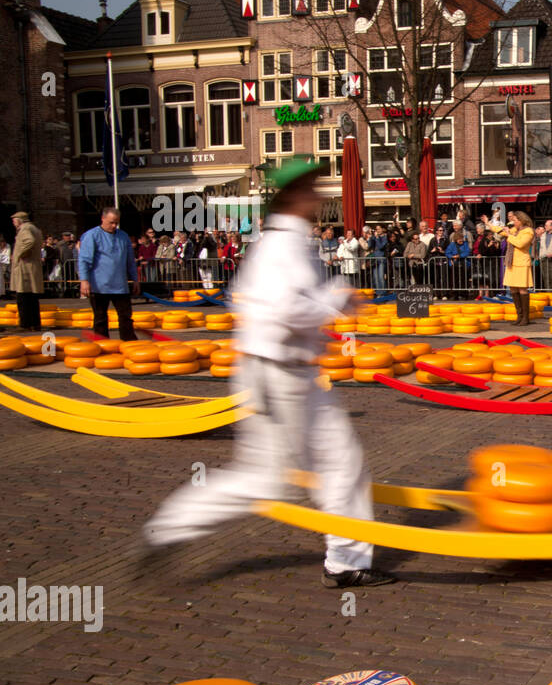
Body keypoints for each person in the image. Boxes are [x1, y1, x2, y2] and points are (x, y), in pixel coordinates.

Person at [143, 161, 394, 588]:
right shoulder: (283, 246)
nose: (319, 197)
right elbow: (285, 310)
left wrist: (327, 301)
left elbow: (270, 302)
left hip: (288, 371)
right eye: (312, 189)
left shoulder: (281, 241)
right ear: (294, 197)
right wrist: (336, 302)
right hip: (281, 374)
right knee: (269, 479)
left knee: (341, 463)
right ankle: (170, 527)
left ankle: (346, 560)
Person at [78, 207, 139, 340]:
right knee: (100, 318)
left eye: (116, 223)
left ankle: (129, 342)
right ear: (103, 218)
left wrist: (135, 279)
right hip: (99, 285)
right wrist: (84, 280)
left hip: (120, 285)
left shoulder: (123, 236)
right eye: (111, 222)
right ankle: (102, 344)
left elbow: (130, 261)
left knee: (126, 317)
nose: (114, 226)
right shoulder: (92, 235)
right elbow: (84, 260)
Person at [486, 209, 535, 324]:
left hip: (522, 262)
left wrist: (509, 235)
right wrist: (489, 224)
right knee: (513, 288)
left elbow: (520, 243)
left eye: (515, 220)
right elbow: (501, 231)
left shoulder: (528, 231)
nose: (514, 223)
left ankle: (525, 318)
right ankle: (519, 315)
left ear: (522, 220)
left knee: (522, 289)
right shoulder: (515, 230)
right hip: (511, 262)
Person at [10, 212, 43, 329]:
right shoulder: (35, 228)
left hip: (25, 267)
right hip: (32, 267)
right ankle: (35, 323)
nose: (13, 223)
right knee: (32, 298)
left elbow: (30, 241)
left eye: (14, 221)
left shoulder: (25, 229)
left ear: (20, 220)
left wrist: (18, 254)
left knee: (23, 297)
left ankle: (25, 324)